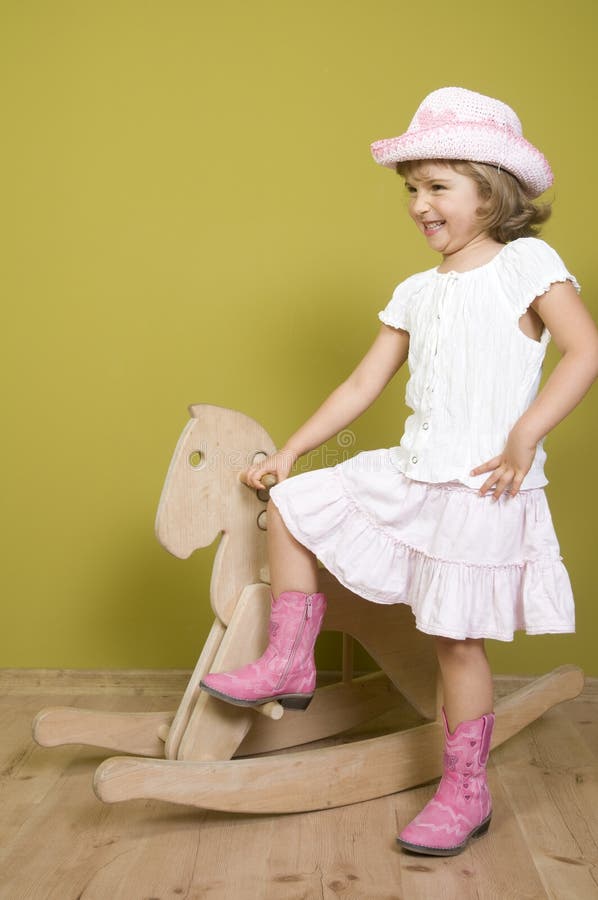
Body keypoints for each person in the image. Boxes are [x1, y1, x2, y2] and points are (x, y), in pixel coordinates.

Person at [201, 87, 598, 856]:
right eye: (412, 189)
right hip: (416, 470)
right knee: (294, 503)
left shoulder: (528, 265)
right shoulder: (417, 291)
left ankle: (465, 789)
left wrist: (526, 432)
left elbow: (584, 351)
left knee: (455, 642)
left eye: (438, 186)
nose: (420, 203)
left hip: (483, 483)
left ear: (492, 190)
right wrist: (289, 453)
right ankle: (288, 661)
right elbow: (361, 384)